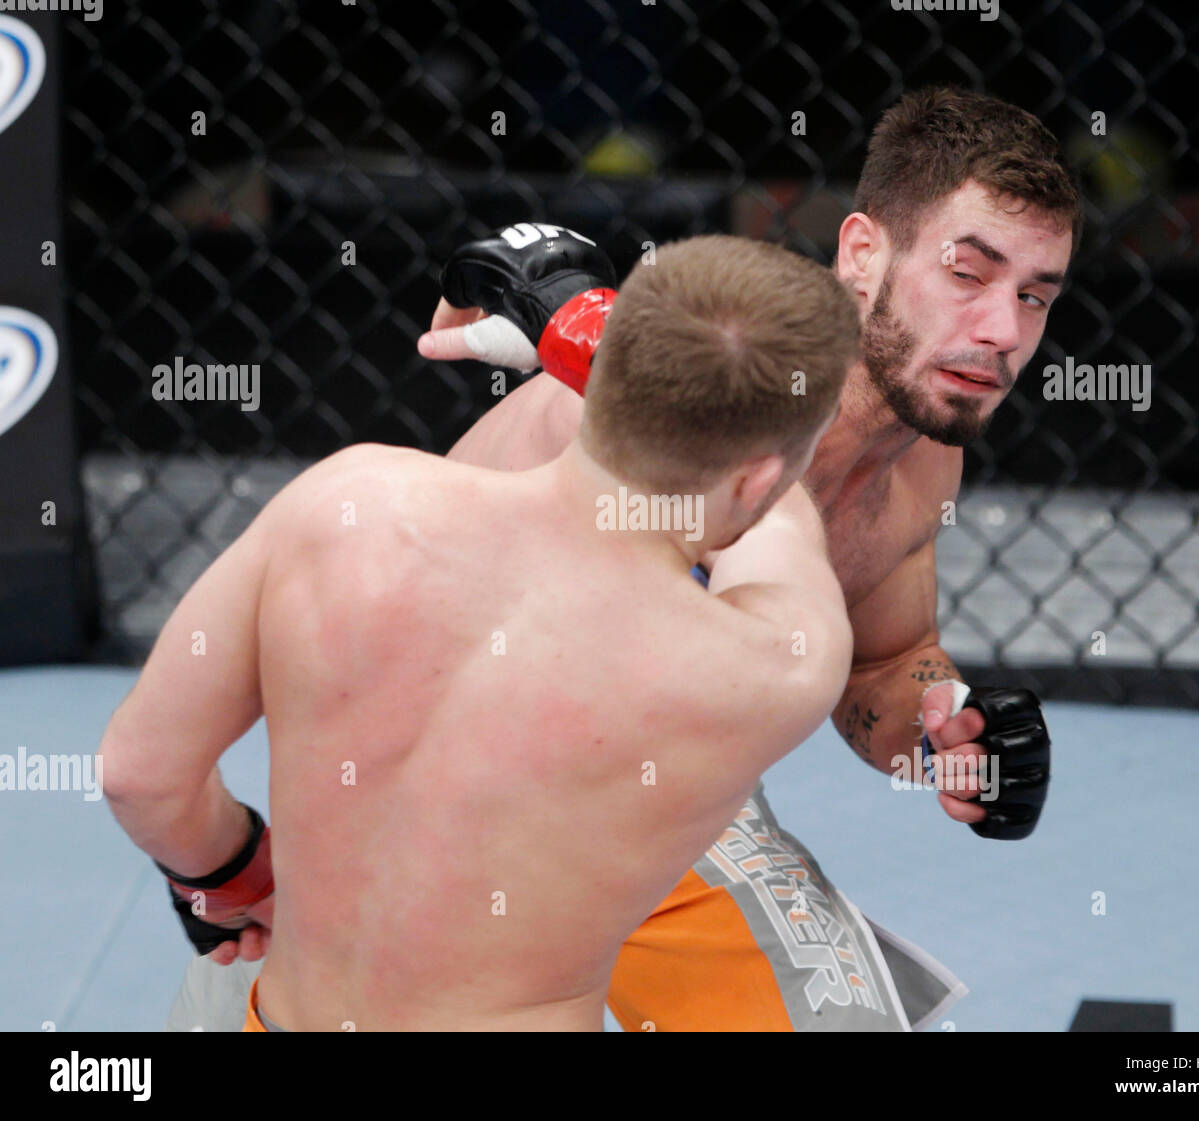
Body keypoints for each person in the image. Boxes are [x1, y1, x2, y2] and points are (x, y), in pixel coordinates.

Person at [166, 83, 1068, 1032]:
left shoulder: (925, 459)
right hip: (434, 800)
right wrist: (222, 856)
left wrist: (950, 738)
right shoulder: (691, 364)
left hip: (629, 801)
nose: (1003, 331)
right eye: (967, 275)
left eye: (1035, 297)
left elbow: (885, 659)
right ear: (861, 253)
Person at [102, 235, 861, 1031]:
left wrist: (232, 875)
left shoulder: (347, 502)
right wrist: (583, 337)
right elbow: (773, 530)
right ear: (763, 475)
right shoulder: (772, 664)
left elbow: (140, 774)